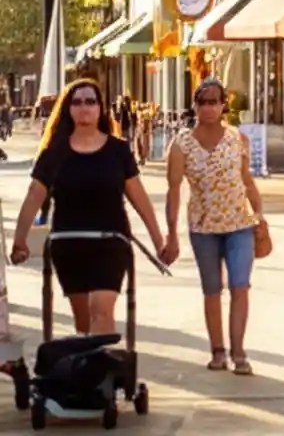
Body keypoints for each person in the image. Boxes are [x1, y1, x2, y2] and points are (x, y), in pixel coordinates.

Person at [9, 78, 169, 336]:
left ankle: (101, 372)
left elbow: (139, 197)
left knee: (101, 309)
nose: (84, 107)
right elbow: (33, 196)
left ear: (100, 108)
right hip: (69, 243)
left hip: (110, 241)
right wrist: (20, 241)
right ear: (68, 109)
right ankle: (90, 366)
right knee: (83, 321)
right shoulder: (54, 153)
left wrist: (159, 241)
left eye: (91, 101)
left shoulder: (118, 151)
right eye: (78, 102)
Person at [162, 78, 264, 376]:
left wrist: (259, 213)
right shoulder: (181, 144)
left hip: (239, 223)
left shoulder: (237, 139)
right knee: (211, 289)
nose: (208, 107)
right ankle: (217, 350)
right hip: (203, 226)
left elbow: (247, 181)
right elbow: (173, 190)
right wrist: (171, 233)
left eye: (214, 101)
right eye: (202, 102)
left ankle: (239, 350)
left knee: (240, 286)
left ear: (223, 105)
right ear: (195, 105)